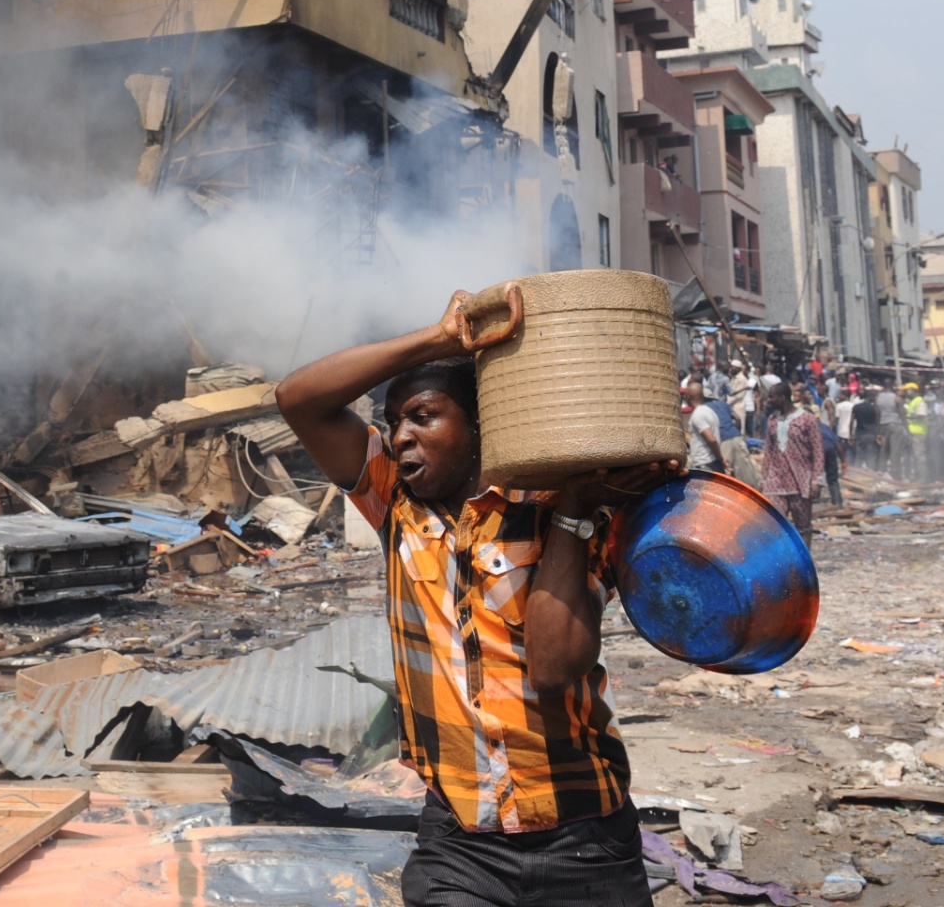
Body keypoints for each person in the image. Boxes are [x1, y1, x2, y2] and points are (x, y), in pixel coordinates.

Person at [274, 291, 681, 907]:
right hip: (459, 840)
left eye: (423, 417)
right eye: (393, 425)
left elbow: (552, 667)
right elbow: (297, 399)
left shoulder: (560, 513)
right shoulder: (394, 505)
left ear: (480, 424)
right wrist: (440, 339)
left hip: (585, 838)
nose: (401, 438)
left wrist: (572, 514)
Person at [761, 382, 822, 536]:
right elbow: (769, 449)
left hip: (800, 480)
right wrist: (764, 477)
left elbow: (818, 451)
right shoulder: (772, 420)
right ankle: (780, 560)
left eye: (771, 397)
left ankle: (804, 560)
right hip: (776, 480)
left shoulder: (807, 419)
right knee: (775, 525)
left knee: (803, 527)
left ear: (782, 397)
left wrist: (816, 480)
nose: (769, 401)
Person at [706, 390, 760, 487]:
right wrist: (737, 432)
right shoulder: (722, 404)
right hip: (736, 437)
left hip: (723, 441)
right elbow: (737, 418)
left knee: (726, 472)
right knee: (746, 470)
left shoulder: (704, 409)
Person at [684, 382, 724, 474]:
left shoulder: (698, 415)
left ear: (688, 397)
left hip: (705, 463)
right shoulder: (709, 411)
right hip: (712, 461)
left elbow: (711, 440)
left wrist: (720, 458)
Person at [874, 383, 906, 478]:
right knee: (895, 450)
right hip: (895, 425)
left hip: (883, 425)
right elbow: (902, 413)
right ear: (892, 388)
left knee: (884, 449)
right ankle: (895, 473)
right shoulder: (896, 398)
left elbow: (877, 413)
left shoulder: (878, 398)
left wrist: (878, 430)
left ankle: (882, 470)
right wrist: (906, 428)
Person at [851, 385, 880, 470]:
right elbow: (877, 421)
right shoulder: (874, 408)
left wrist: (850, 434)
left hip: (859, 434)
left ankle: (856, 475)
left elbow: (851, 421)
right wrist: (877, 434)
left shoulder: (857, 407)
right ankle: (871, 475)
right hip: (871, 434)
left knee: (859, 456)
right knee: (871, 456)